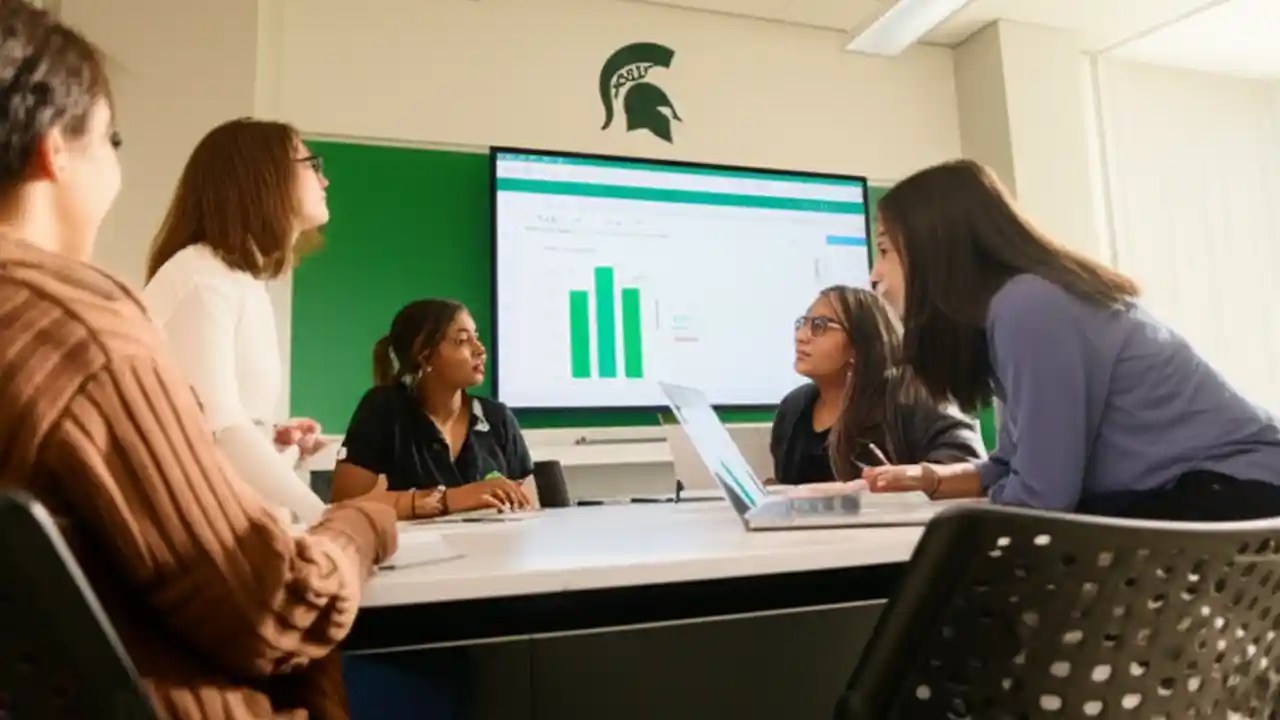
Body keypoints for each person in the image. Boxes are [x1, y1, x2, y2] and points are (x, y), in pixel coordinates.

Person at [0, 2, 396, 717]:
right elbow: (276, 602)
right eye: (112, 139)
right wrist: (359, 522)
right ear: (55, 147)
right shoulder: (78, 326)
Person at [862, 159, 1280, 520]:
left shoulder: (1028, 306)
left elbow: (1042, 497)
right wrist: (930, 480)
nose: (875, 275)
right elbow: (1012, 466)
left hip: (1237, 489)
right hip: (1212, 491)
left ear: (939, 251)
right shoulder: (1019, 307)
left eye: (884, 250)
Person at [142, 118, 329, 523]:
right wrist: (326, 517)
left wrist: (273, 439)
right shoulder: (204, 278)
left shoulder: (236, 280)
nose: (324, 180)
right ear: (264, 176)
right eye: (312, 164)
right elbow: (222, 432)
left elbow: (224, 429)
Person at [331, 299, 536, 517]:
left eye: (476, 337)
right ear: (425, 355)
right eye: (462, 340)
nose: (480, 350)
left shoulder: (497, 417)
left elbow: (532, 506)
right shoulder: (384, 409)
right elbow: (343, 507)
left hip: (492, 548)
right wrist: (448, 499)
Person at [772, 285, 984, 485]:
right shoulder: (793, 409)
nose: (800, 337)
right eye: (803, 323)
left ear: (859, 343)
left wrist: (908, 480)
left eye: (820, 326)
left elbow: (967, 461)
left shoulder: (909, 394)